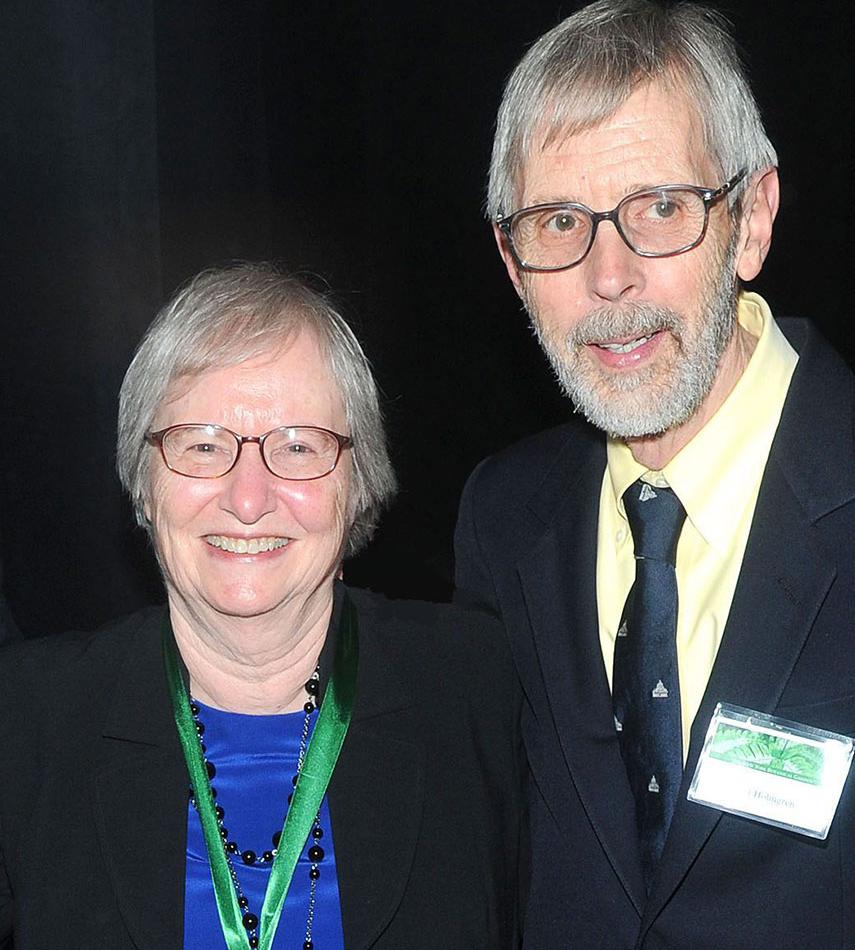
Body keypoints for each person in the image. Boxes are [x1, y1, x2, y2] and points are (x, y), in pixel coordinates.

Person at [454, 0, 855, 949]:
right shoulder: (502, 517)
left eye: (661, 209)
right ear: (511, 263)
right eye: (557, 223)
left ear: (751, 219)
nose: (609, 276)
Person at [0, 263, 523, 949]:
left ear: (358, 482)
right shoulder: (25, 720)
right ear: (143, 477)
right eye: (204, 445)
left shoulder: (482, 689)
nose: (248, 500)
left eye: (299, 447)